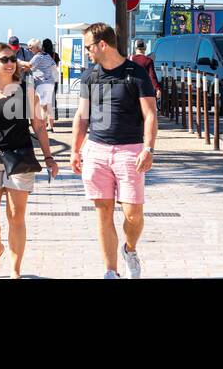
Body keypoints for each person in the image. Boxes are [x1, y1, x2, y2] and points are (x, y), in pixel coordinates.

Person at [71, 22, 157, 279]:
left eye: (88, 47)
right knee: (103, 211)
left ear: (102, 45)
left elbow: (150, 114)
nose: (86, 51)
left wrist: (149, 148)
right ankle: (111, 271)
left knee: (133, 214)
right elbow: (82, 116)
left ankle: (130, 249)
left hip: (130, 151)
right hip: (96, 151)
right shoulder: (90, 76)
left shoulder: (135, 73)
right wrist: (75, 151)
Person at [0, 42, 58, 278]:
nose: (10, 63)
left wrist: (49, 157)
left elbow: (39, 125)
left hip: (20, 158)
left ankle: (15, 271)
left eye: (12, 59)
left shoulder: (26, 91)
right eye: (4, 60)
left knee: (16, 215)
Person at [30, 39, 60, 129]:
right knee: (50, 103)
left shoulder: (39, 56)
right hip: (52, 80)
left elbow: (30, 66)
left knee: (43, 105)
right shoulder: (53, 55)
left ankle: (44, 125)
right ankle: (51, 125)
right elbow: (55, 66)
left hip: (42, 81)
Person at [130, 39, 161, 103]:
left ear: (135, 48)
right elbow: (152, 76)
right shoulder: (148, 60)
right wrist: (157, 89)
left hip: (131, 90)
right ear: (145, 48)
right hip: (143, 91)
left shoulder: (129, 59)